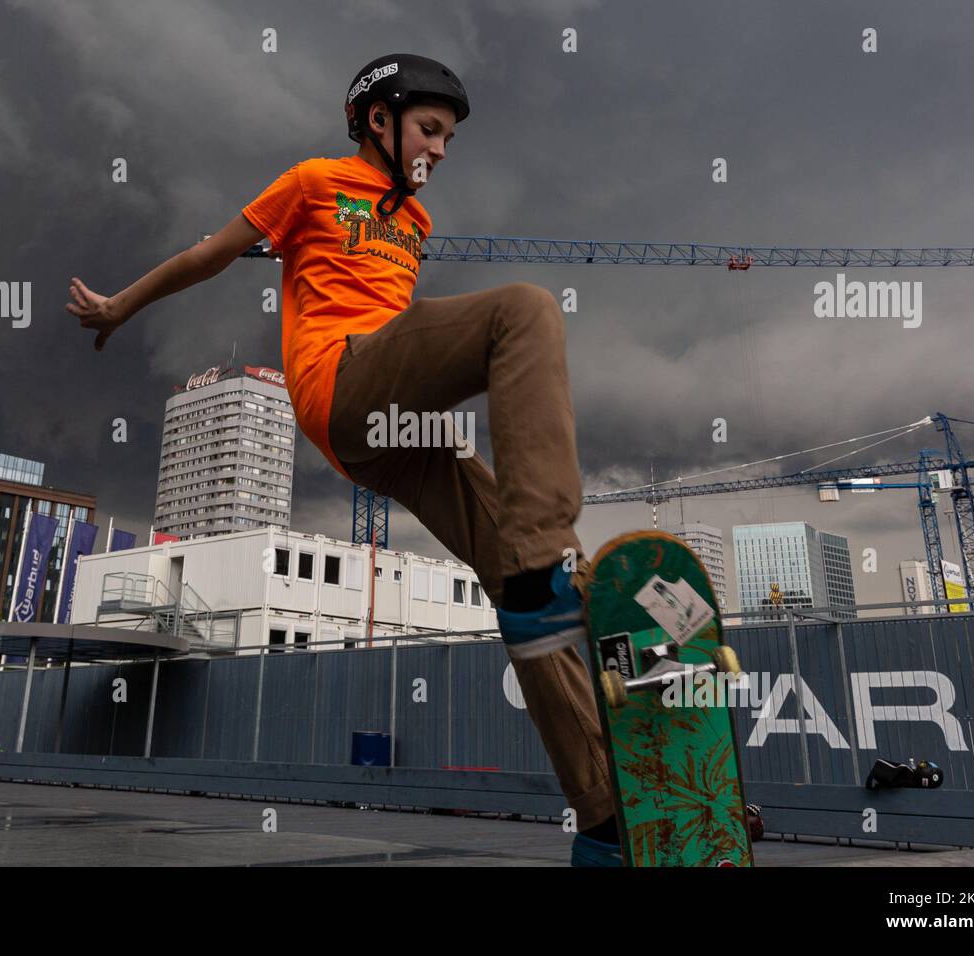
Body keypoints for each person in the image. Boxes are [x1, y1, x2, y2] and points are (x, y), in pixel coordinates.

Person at [68, 54, 621, 866]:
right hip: (341, 382)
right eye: (430, 129)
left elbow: (411, 332)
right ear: (377, 120)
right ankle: (547, 561)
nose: (442, 149)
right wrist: (121, 303)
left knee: (512, 583)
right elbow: (210, 253)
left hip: (389, 432)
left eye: (452, 138)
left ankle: (604, 818)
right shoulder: (313, 183)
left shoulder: (416, 224)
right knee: (527, 311)